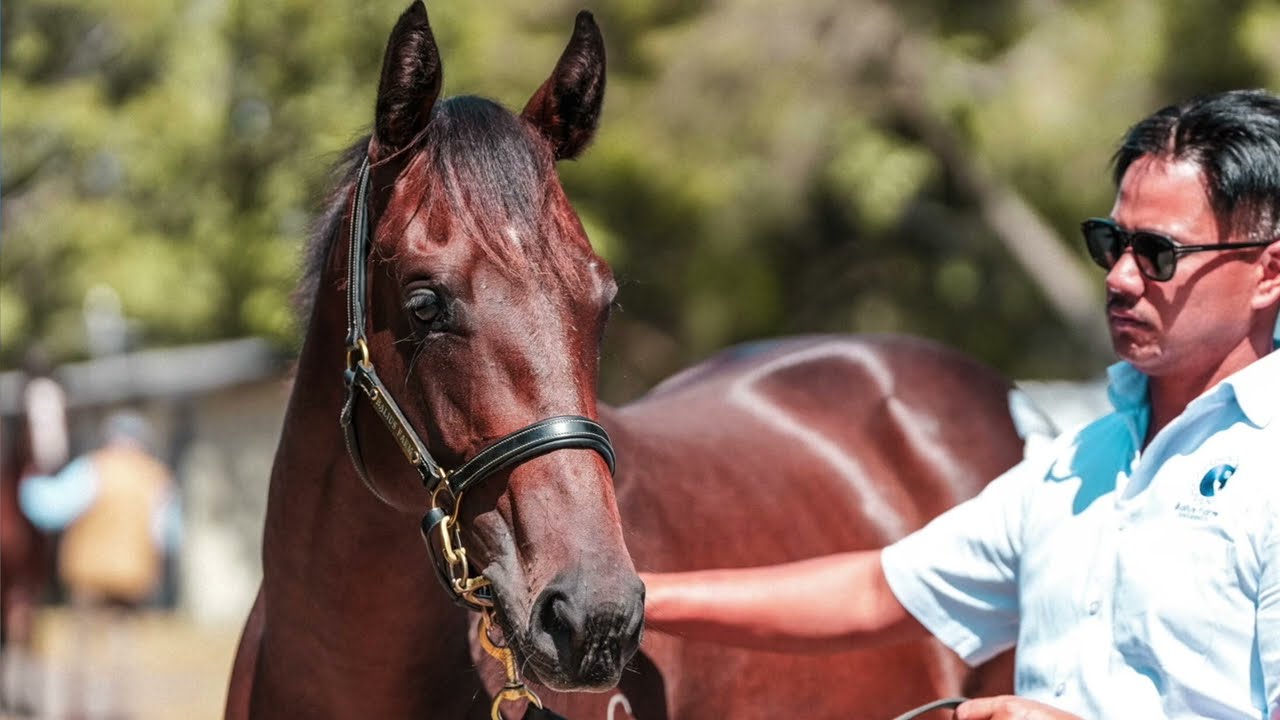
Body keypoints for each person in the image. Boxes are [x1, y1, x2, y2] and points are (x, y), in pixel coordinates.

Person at [641, 89, 1280, 720]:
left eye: (1158, 254)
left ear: (1269, 273)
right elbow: (872, 594)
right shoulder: (1081, 464)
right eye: (1111, 243)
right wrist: (635, 598)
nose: (1118, 277)